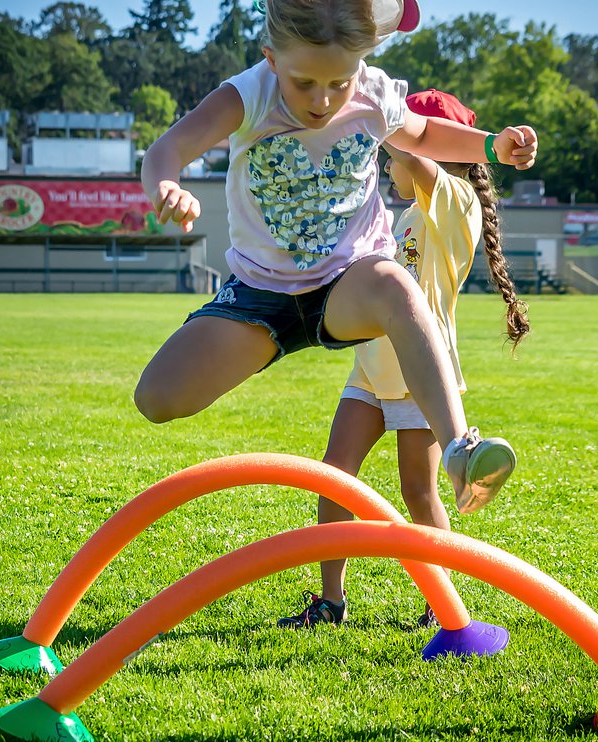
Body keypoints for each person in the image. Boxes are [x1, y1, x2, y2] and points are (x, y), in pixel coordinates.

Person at [134, 0, 538, 517]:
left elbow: (421, 133)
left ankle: (460, 451)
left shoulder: (374, 93)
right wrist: (167, 185)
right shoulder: (247, 95)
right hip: (262, 297)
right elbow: (165, 150)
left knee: (395, 284)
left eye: (339, 83)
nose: (322, 101)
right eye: (304, 83)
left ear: (360, 67)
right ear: (272, 58)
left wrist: (491, 145)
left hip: (348, 284)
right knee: (158, 398)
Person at [277, 89, 530, 629]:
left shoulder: (456, 198)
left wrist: (372, 116)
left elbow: (415, 151)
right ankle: (330, 601)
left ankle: (445, 608)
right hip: (370, 367)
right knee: (334, 475)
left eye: (392, 153)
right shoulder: (406, 214)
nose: (388, 163)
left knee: (417, 491)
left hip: (421, 374)